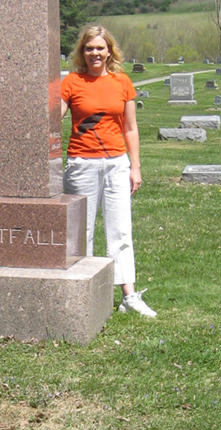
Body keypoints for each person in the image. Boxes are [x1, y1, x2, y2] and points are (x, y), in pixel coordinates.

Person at [60, 24, 156, 317]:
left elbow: (131, 127)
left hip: (117, 164)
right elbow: (52, 118)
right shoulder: (72, 82)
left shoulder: (122, 82)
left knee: (120, 230)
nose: (95, 53)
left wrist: (135, 167)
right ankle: (83, 292)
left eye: (100, 48)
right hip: (81, 165)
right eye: (89, 48)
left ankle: (128, 296)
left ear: (109, 51)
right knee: (80, 233)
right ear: (82, 52)